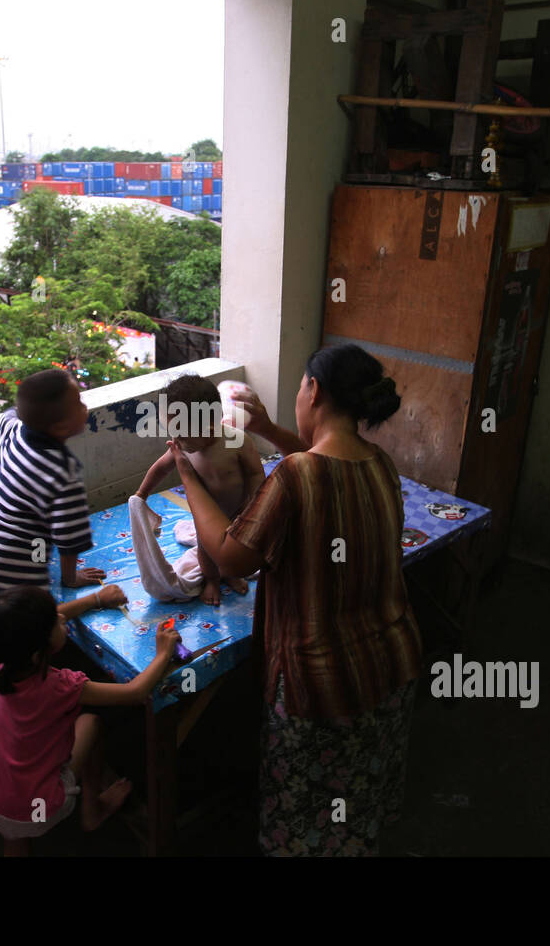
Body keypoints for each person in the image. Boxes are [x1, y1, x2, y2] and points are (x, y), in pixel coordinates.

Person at [166, 344, 424, 856]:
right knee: (357, 810)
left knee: (306, 829)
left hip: (320, 684)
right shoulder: (381, 463)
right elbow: (317, 461)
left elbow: (232, 557)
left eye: (302, 387)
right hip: (392, 664)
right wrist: (268, 431)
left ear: (315, 392)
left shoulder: (293, 477)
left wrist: (189, 477)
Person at [0, 585, 183, 855]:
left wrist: (95, 599)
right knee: (91, 723)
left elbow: (42, 622)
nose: (62, 618)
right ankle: (92, 811)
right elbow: (135, 693)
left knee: (15, 832)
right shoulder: (60, 686)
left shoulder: (7, 663)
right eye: (55, 623)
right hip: (46, 805)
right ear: (39, 650)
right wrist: (163, 653)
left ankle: (18, 839)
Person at [0, 369, 110, 619]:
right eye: (78, 403)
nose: (85, 407)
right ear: (61, 425)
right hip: (12, 574)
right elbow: (69, 538)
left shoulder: (14, 428)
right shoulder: (62, 472)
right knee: (31, 632)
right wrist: (71, 579)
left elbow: (10, 414)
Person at [134, 374, 265, 605]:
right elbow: (160, 468)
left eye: (182, 433)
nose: (176, 440)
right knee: (206, 550)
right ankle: (212, 580)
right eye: (172, 431)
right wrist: (141, 495)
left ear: (212, 423)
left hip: (239, 511)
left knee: (235, 551)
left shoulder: (237, 441)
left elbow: (255, 473)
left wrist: (255, 504)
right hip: (205, 517)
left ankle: (231, 575)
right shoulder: (182, 447)